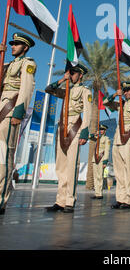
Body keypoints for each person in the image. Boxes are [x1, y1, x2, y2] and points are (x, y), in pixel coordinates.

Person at [45, 63, 92, 213]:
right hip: (62, 128)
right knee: (61, 166)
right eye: (69, 73)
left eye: (73, 73)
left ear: (81, 75)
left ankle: (70, 201)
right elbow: (49, 89)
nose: (70, 75)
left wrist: (85, 132)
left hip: (75, 128)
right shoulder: (66, 88)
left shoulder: (85, 91)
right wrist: (61, 80)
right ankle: (60, 200)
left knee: (72, 166)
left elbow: (88, 112)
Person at [0, 33, 36, 215]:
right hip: (1, 107)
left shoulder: (27, 63)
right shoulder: (8, 65)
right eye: (12, 43)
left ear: (25, 47)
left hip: (10, 109)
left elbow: (26, 88)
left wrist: (18, 112)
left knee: (4, 156)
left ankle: (1, 199)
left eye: (17, 44)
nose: (13, 46)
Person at [103, 81, 130, 209]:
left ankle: (128, 198)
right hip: (117, 139)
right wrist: (115, 94)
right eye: (124, 90)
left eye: (128, 90)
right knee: (118, 171)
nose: (125, 93)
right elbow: (105, 102)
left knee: (127, 171)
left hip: (128, 138)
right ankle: (120, 198)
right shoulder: (121, 104)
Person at [90, 124, 111, 199]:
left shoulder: (106, 139)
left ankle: (100, 194)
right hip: (95, 159)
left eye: (102, 130)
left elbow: (107, 150)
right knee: (95, 176)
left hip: (101, 159)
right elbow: (89, 137)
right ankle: (96, 193)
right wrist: (95, 134)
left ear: (105, 131)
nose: (101, 131)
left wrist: (105, 161)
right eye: (100, 130)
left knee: (100, 176)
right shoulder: (97, 138)